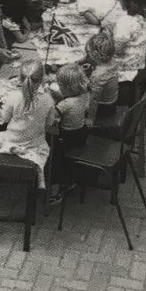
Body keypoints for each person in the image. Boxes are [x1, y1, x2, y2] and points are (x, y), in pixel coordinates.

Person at [0, 59, 56, 194]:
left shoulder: (13, 96)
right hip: (35, 143)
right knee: (38, 138)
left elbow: (4, 119)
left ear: (19, 78)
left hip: (12, 139)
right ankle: (39, 174)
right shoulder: (48, 99)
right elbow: (49, 123)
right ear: (42, 79)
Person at [48, 62, 90, 204]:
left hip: (65, 139)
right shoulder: (85, 95)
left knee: (53, 160)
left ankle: (54, 193)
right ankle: (70, 180)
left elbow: (50, 118)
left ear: (66, 88)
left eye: (61, 86)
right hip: (81, 134)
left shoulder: (65, 104)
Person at [111, 0, 146, 83]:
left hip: (126, 67)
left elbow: (118, 50)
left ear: (127, 2)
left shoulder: (125, 22)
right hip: (138, 60)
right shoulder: (144, 15)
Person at [83, 31, 118, 118]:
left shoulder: (98, 75)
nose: (88, 55)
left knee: (73, 93)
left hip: (103, 108)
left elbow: (94, 100)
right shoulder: (113, 61)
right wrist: (93, 66)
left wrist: (90, 118)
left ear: (95, 55)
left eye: (89, 53)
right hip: (112, 101)